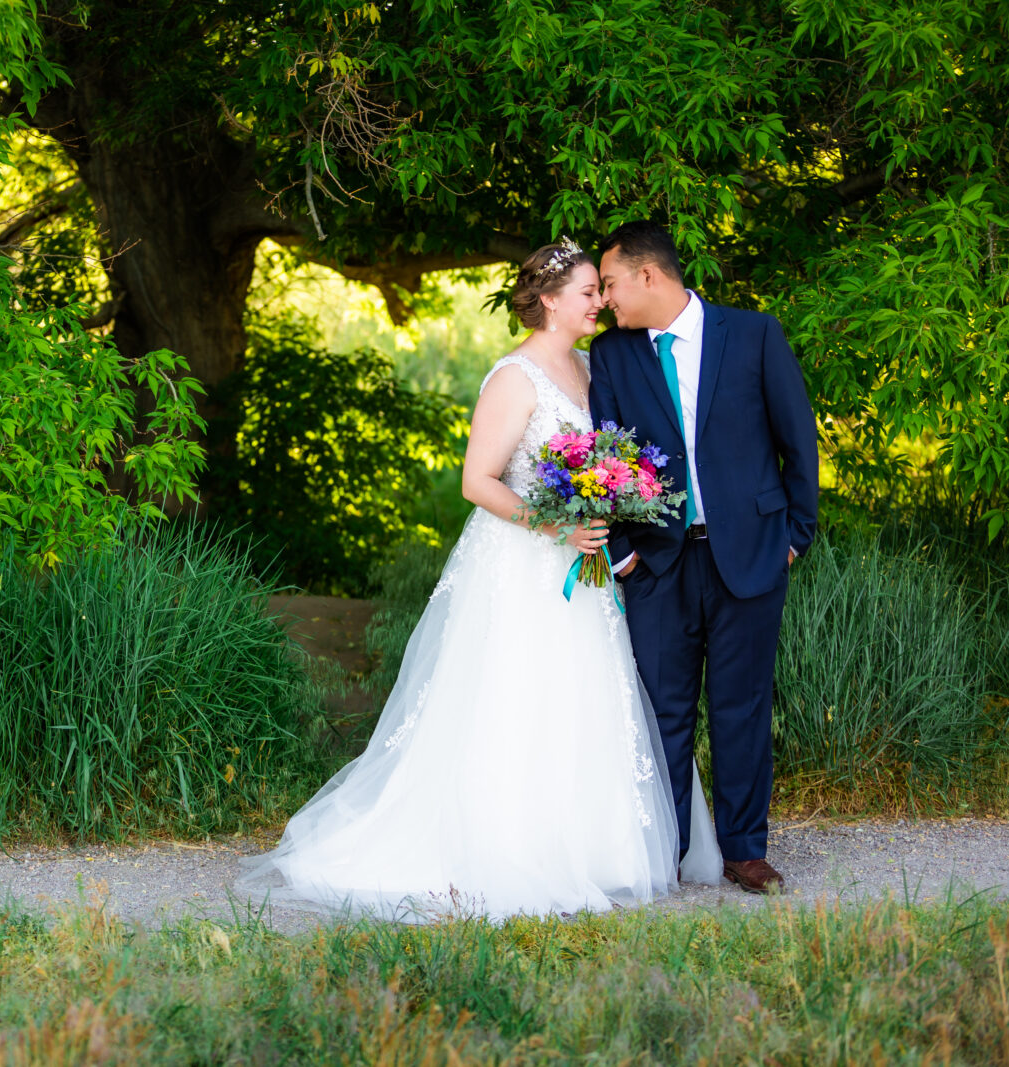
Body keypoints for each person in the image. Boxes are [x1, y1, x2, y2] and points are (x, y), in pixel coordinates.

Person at [239, 240, 721, 922]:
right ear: (551, 299)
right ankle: (506, 847)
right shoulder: (514, 377)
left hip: (584, 567)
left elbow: (607, 462)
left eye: (601, 291)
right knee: (518, 697)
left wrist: (608, 509)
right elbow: (477, 481)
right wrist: (555, 527)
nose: (600, 302)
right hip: (525, 565)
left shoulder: (591, 367)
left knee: (585, 696)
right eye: (588, 291)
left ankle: (595, 850)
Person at [588, 221, 819, 894]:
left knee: (741, 705)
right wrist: (625, 553)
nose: (605, 299)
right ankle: (667, 851)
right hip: (657, 564)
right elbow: (608, 455)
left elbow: (797, 439)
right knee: (663, 708)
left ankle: (746, 850)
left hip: (749, 552)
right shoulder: (613, 355)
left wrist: (794, 534)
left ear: (649, 275)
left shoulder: (752, 335)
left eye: (609, 283)